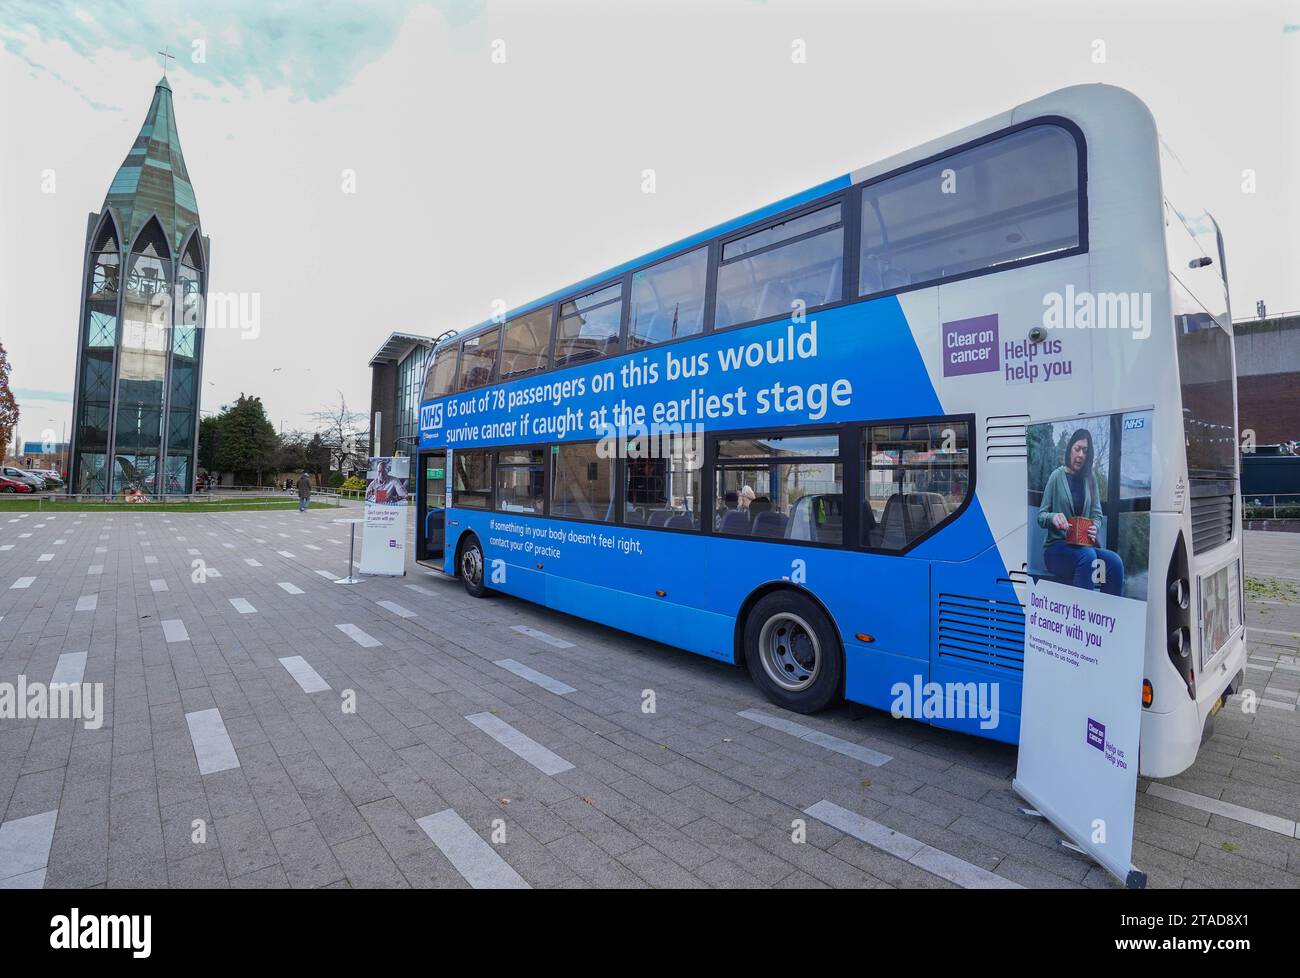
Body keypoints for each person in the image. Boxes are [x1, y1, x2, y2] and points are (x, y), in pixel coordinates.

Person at [1036, 428, 1124, 595]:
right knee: (1088, 557)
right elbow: (1041, 516)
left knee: (1114, 562)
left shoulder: (1090, 480)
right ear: (1070, 449)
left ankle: (1109, 616)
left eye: (1085, 450)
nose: (1081, 454)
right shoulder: (1056, 476)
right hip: (1056, 550)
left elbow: (1097, 515)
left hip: (1083, 547)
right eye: (1077, 449)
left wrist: (1095, 527)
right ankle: (1084, 615)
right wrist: (1053, 517)